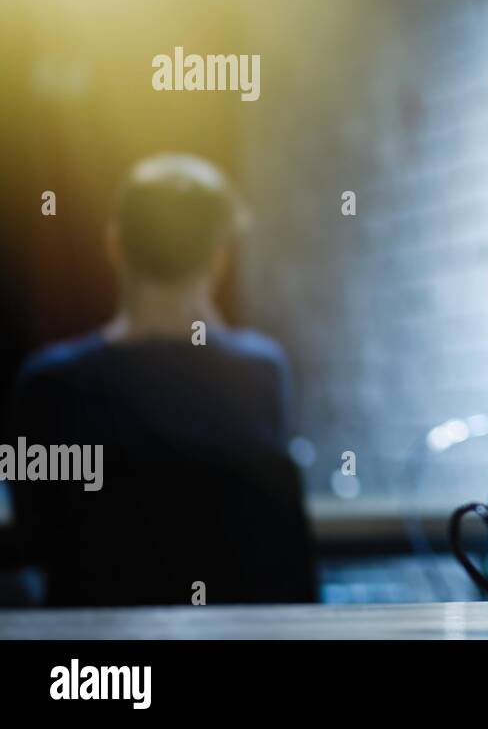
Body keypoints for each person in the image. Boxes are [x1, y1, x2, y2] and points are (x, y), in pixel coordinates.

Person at [4, 153, 316, 606]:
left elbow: (34, 537)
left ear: (115, 246)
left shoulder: (49, 383)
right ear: (218, 258)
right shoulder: (259, 373)